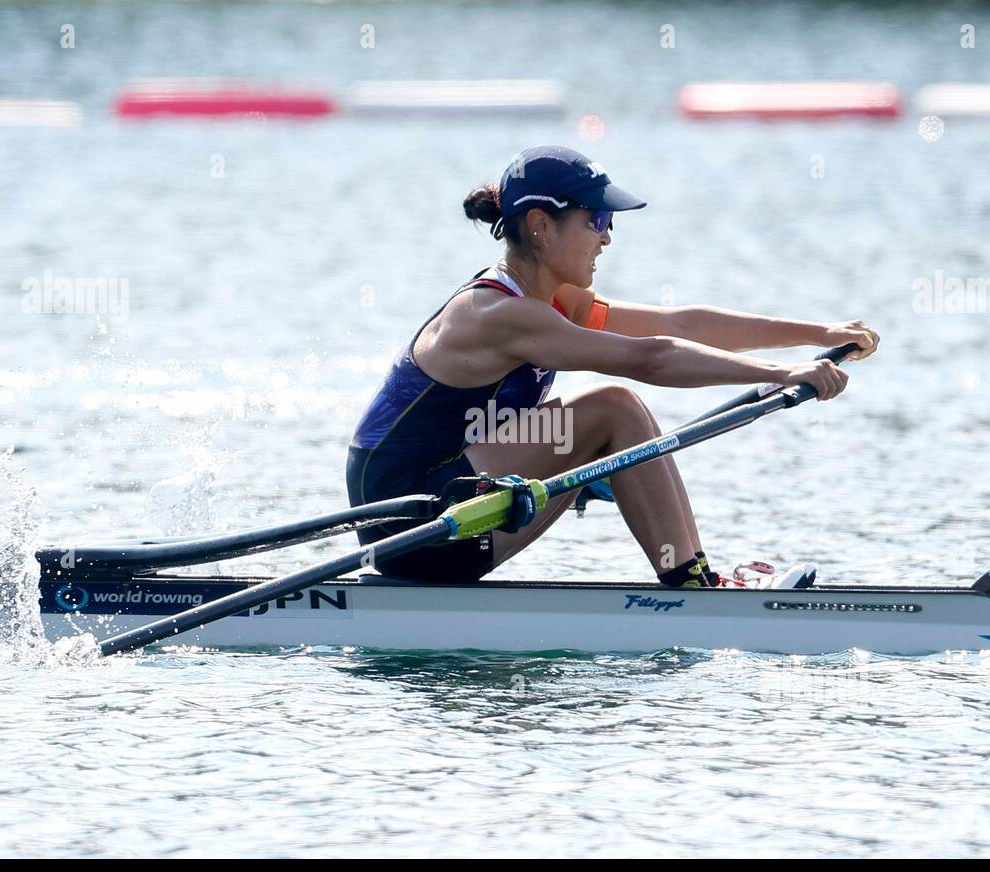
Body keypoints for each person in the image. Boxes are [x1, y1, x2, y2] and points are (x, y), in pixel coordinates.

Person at [347, 145, 878, 587]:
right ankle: (694, 587)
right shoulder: (496, 314)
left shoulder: (558, 298)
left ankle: (694, 580)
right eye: (596, 219)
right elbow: (650, 358)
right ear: (540, 226)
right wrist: (782, 375)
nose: (607, 236)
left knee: (611, 423)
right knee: (614, 409)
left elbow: (680, 325)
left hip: (463, 504)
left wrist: (818, 334)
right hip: (410, 518)